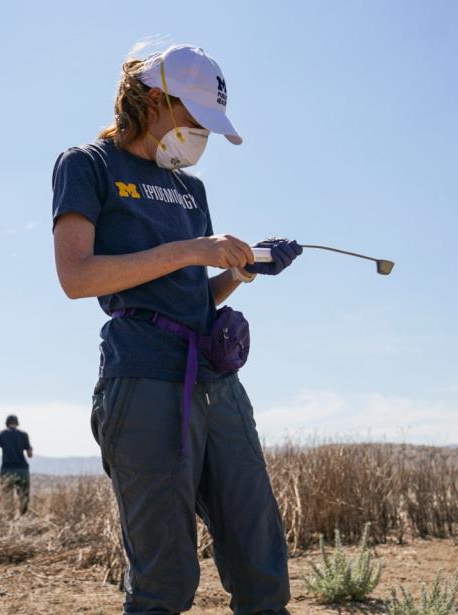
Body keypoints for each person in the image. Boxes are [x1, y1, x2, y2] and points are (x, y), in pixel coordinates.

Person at [51, 44, 303, 614]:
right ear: (156, 100)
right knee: (163, 577)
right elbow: (76, 276)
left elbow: (193, 296)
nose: (200, 138)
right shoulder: (88, 165)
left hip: (216, 382)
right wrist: (194, 248)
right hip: (144, 381)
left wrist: (238, 272)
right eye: (195, 120)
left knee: (260, 558)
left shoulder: (193, 190)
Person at [0, 414, 33, 515]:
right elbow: (30, 455)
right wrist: (30, 449)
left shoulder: (1, 434)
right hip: (22, 469)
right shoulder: (23, 435)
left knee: (7, 496)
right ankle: (23, 518)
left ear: (7, 423)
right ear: (17, 423)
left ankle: (9, 517)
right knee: (23, 496)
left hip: (7, 469)